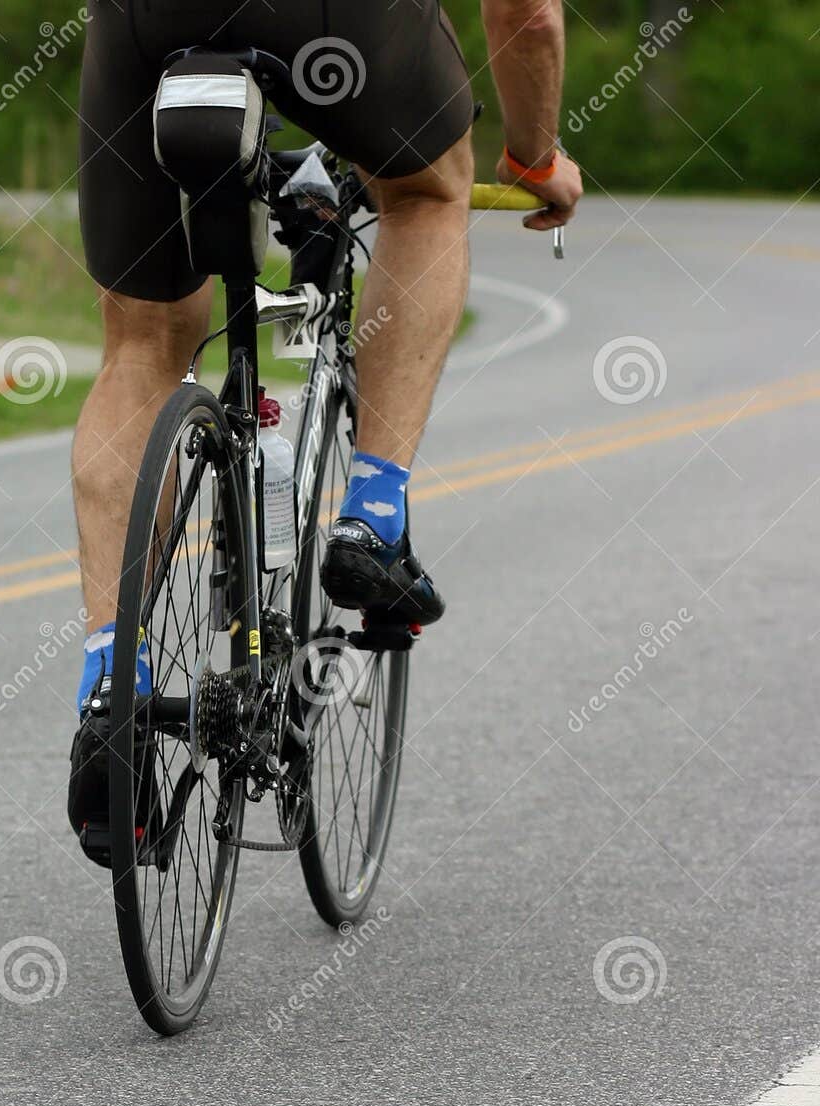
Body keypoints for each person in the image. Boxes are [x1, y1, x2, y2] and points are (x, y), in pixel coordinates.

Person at [68, 1, 582, 860]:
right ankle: (372, 512)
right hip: (337, 19)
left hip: (144, 19)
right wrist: (535, 155)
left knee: (144, 343)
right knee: (427, 191)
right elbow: (525, 14)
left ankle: (107, 684)